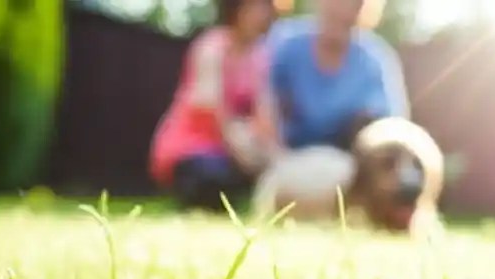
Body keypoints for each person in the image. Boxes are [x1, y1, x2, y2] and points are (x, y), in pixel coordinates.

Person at [149, 0, 279, 210]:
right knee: (213, 175)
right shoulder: (213, 46)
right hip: (193, 148)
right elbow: (209, 104)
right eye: (255, 8)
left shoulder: (260, 58)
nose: (262, 15)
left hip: (232, 151)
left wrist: (272, 154)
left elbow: (264, 113)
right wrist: (239, 147)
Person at [262, 0, 409, 153]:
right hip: (281, 157)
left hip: (351, 164)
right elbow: (261, 103)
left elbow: (391, 130)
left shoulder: (376, 61)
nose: (341, 9)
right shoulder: (284, 42)